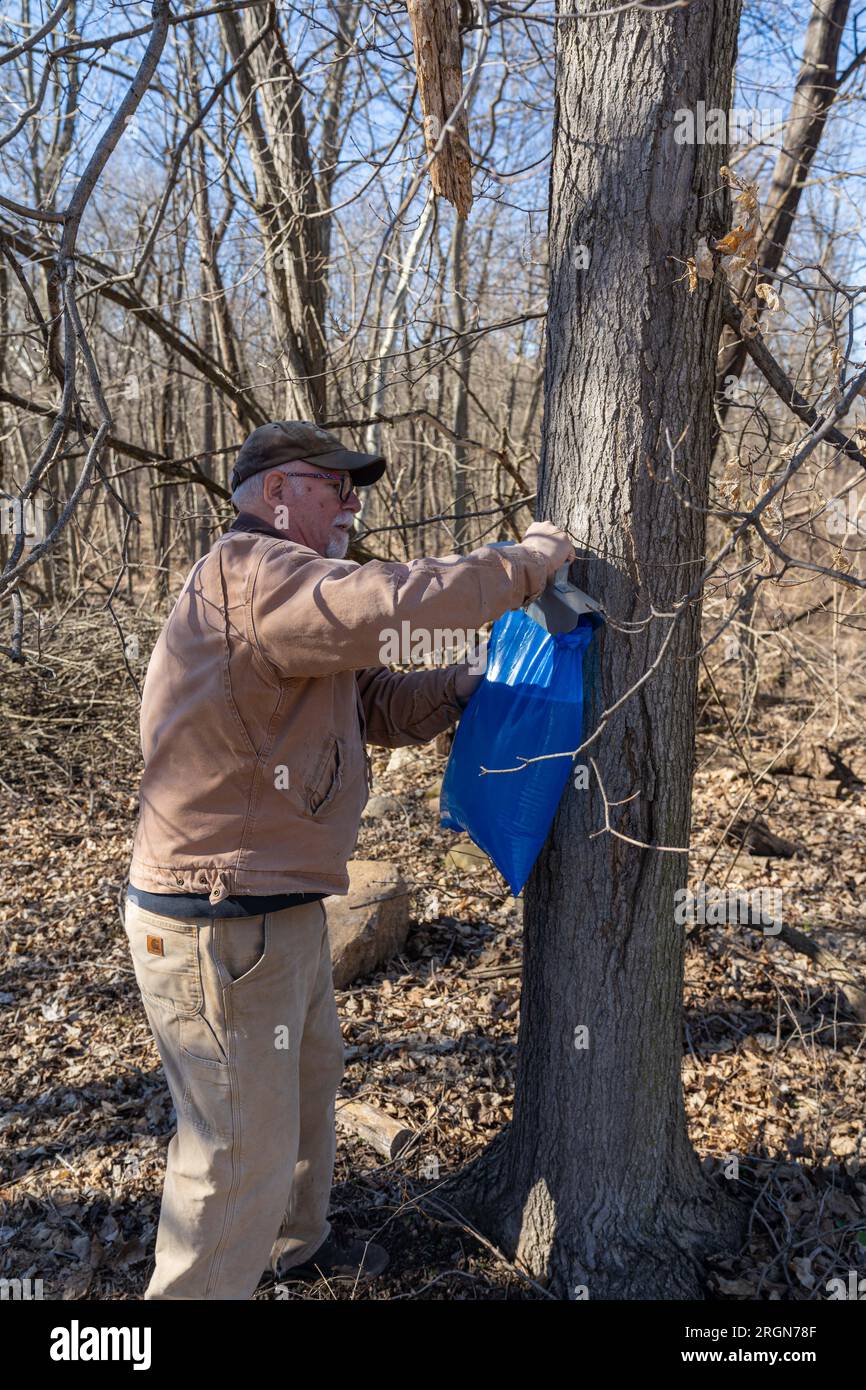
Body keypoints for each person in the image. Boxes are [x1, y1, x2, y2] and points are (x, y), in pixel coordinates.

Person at [123, 419, 574, 1300]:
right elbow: (392, 603)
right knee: (233, 1156)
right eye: (336, 486)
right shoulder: (252, 574)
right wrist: (526, 562)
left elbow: (380, 708)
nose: (352, 504)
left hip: (276, 907)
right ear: (278, 491)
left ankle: (293, 1251)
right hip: (218, 922)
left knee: (305, 1085)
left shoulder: (292, 605)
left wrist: (462, 681)